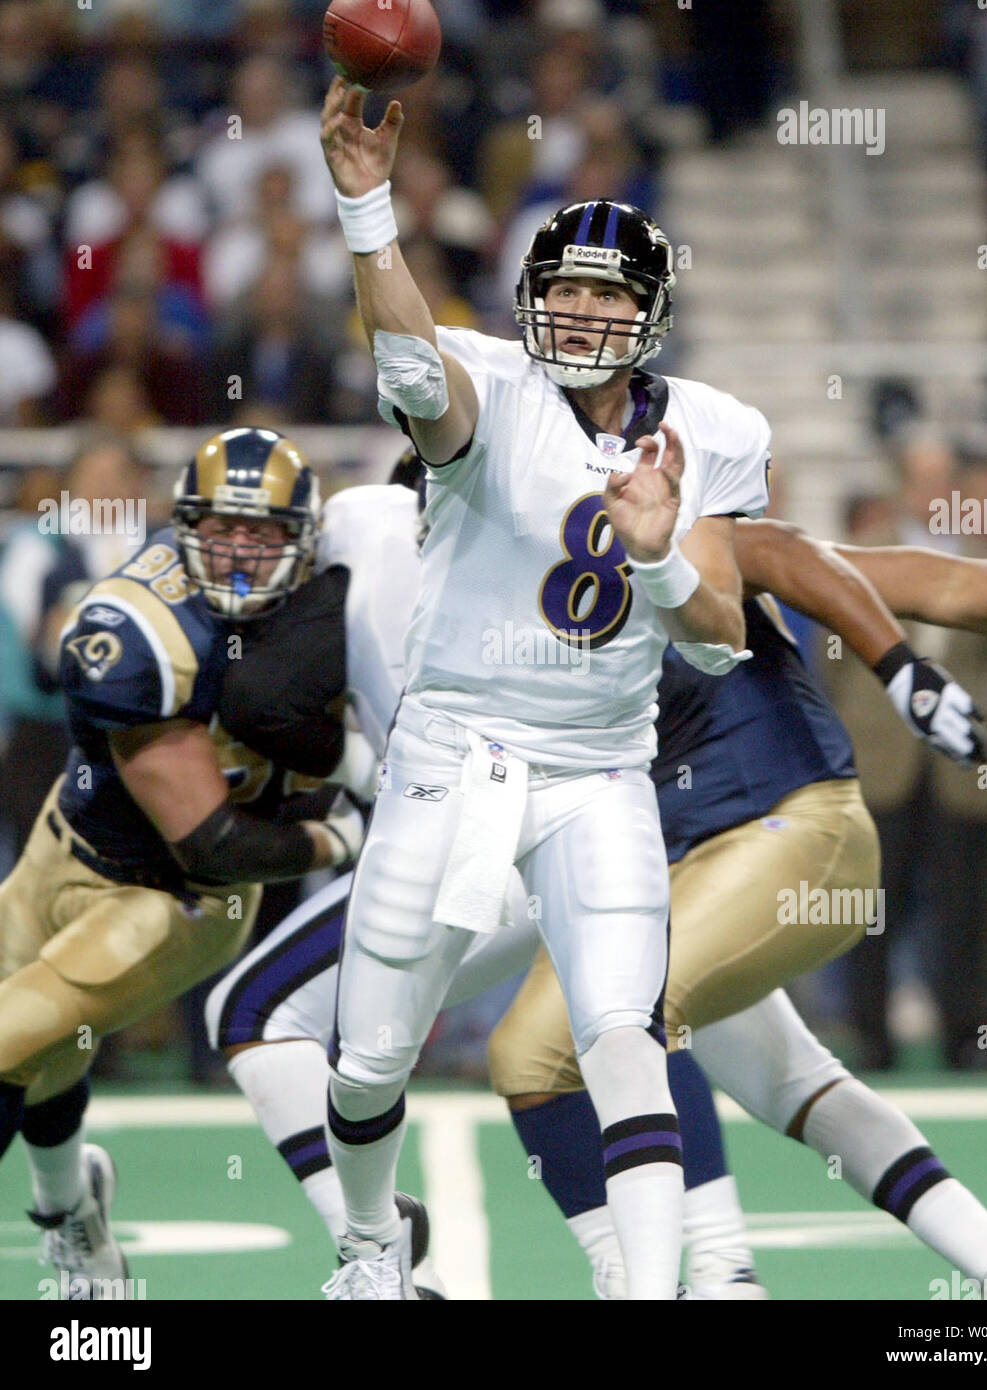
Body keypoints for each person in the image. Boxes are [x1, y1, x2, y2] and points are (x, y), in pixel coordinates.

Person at [208, 478, 987, 1299]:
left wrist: (904, 661)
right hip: (688, 867)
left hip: (781, 830)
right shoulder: (506, 616)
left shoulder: (632, 540)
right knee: (797, 1084)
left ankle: (659, 1281)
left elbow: (802, 555)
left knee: (541, 1048)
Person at [318, 76, 770, 1300]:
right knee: (368, 1061)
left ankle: (645, 1290)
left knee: (624, 1038)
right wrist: (368, 209)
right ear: (530, 298)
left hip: (598, 767)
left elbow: (722, 638)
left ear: (648, 313)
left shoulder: (711, 433)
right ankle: (369, 1248)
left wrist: (663, 545)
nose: (579, 307)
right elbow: (410, 351)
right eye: (562, 286)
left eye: (605, 290)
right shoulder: (486, 381)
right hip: (453, 750)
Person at [0, 426, 363, 1300]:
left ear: (303, 540)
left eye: (265, 533)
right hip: (71, 838)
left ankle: (373, 1248)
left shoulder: (339, 600)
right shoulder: (137, 629)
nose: (241, 551)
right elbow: (217, 830)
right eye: (224, 529)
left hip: (173, 900)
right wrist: (341, 838)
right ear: (184, 523)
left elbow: (211, 853)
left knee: (13, 1039)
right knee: (45, 1048)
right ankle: (76, 1225)